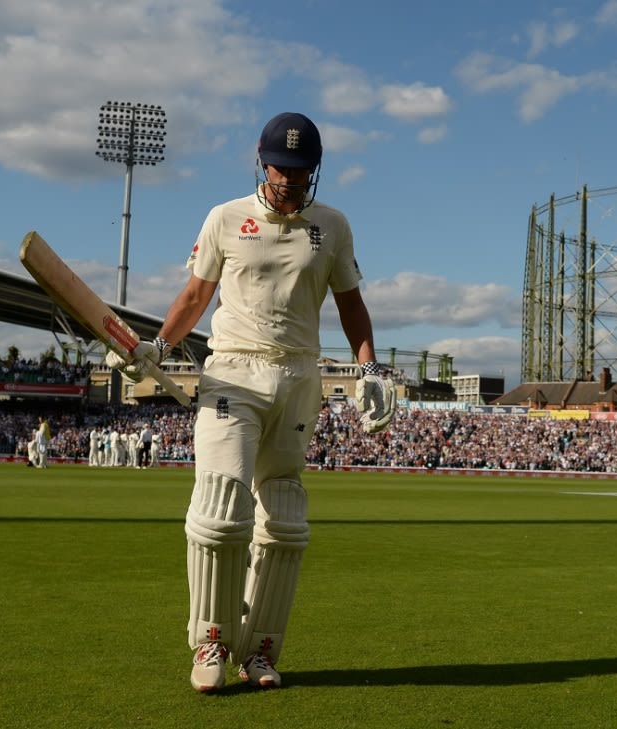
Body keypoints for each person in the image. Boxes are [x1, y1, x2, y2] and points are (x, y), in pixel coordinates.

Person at [107, 111, 396, 694]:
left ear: (315, 171)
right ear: (262, 163)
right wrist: (159, 347)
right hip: (233, 372)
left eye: (300, 171)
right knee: (220, 510)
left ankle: (261, 649)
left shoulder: (333, 225)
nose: (289, 181)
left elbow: (351, 304)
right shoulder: (225, 217)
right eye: (280, 169)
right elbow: (196, 294)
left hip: (298, 378)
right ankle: (212, 640)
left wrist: (369, 368)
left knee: (284, 520)